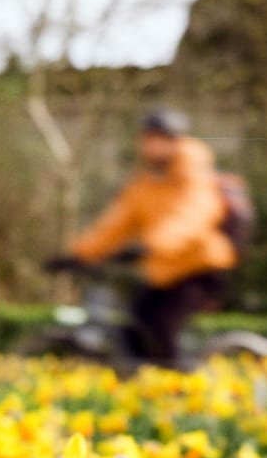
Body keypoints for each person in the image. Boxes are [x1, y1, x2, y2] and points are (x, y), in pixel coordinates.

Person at [62, 109, 238, 366]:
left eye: (155, 139)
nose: (148, 146)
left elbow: (192, 216)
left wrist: (152, 244)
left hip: (200, 267)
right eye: (146, 140)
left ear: (173, 141)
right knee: (135, 322)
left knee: (160, 324)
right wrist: (80, 254)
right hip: (164, 271)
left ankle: (177, 386)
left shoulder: (195, 174)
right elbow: (116, 223)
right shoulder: (145, 183)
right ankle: (140, 381)